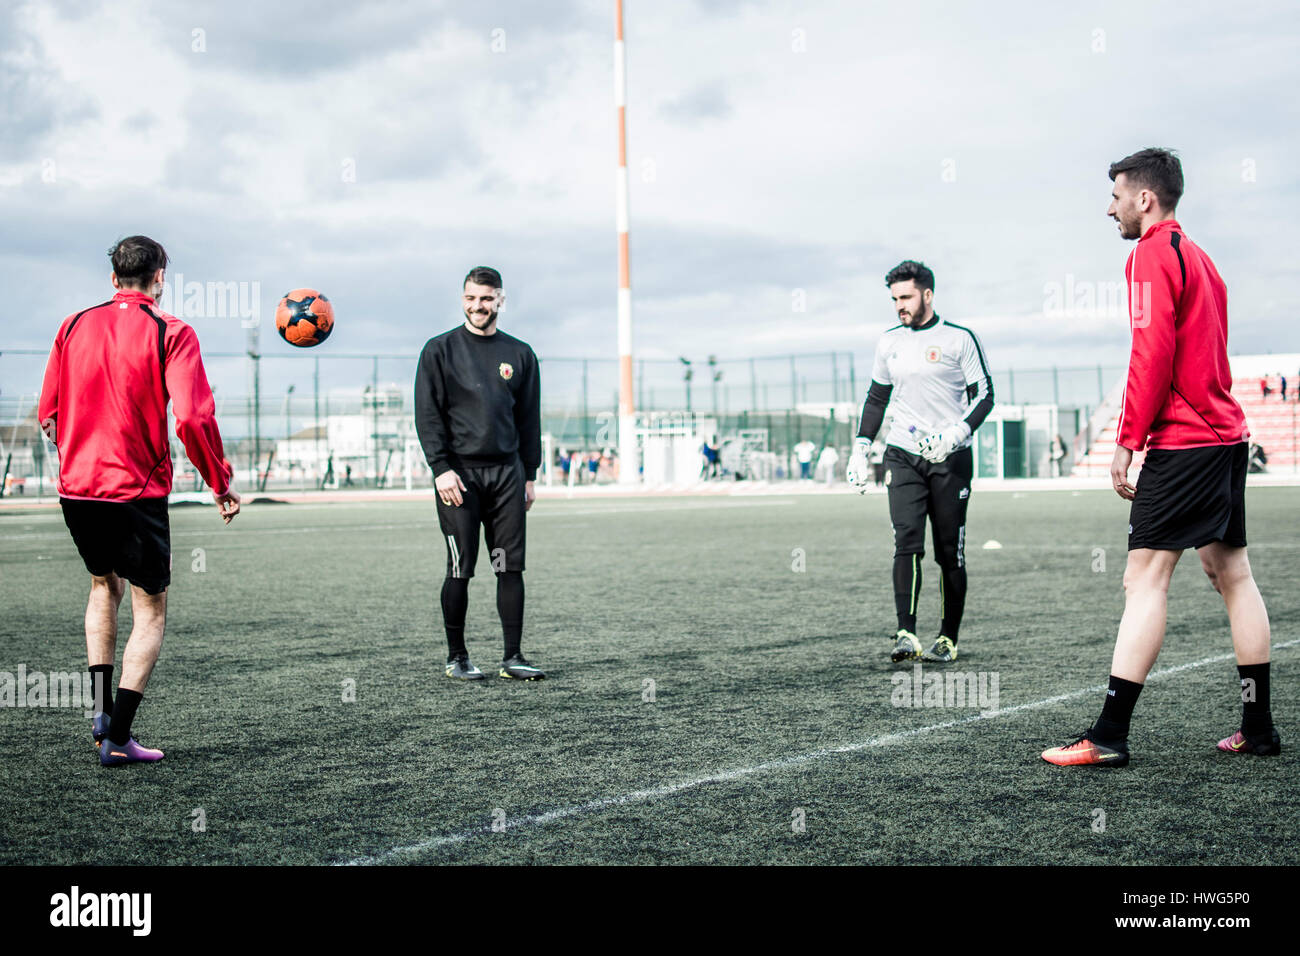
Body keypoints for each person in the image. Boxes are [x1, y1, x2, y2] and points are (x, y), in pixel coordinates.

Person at [1043, 148, 1277, 768]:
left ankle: (1110, 735)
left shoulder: (1149, 253)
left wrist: (1126, 439)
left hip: (1185, 442)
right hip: (1227, 438)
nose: (1110, 207)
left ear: (1145, 199)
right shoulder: (1203, 259)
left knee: (1143, 579)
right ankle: (1259, 729)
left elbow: (1152, 351)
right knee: (1234, 576)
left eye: (1117, 194)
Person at [38, 235, 240, 766]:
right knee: (150, 608)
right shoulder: (171, 331)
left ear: (113, 279)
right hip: (135, 489)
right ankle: (117, 739)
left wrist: (77, 457)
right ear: (160, 278)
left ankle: (102, 715)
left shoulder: (72, 325)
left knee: (103, 587)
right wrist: (219, 482)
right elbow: (194, 418)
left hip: (76, 488)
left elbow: (48, 413)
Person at [846, 260, 994, 663]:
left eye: (906, 297)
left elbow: (985, 395)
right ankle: (905, 634)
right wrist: (861, 447)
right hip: (903, 455)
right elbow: (877, 398)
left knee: (949, 551)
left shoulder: (959, 339)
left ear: (927, 294)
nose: (900, 305)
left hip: (950, 458)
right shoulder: (889, 341)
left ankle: (947, 638)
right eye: (894, 298)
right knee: (906, 541)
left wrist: (955, 434)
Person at [415, 266, 545, 681]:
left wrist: (530, 474)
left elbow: (528, 419)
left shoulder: (520, 354)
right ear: (462, 299)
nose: (478, 306)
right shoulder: (439, 351)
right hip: (460, 479)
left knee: (509, 566)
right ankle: (457, 658)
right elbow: (428, 415)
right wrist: (441, 469)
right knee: (461, 566)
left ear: (500, 300)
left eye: (487, 299)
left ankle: (513, 658)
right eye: (471, 298)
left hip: (507, 475)